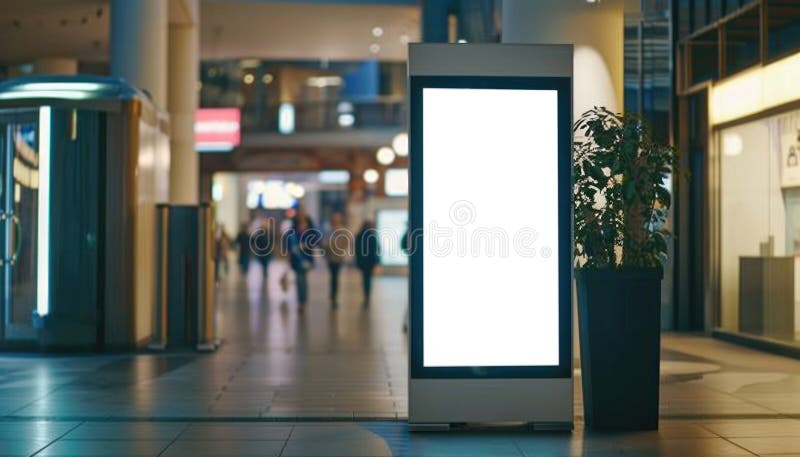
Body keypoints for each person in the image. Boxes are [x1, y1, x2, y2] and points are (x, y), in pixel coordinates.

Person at [288, 214, 317, 314]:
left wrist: (305, 245)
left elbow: (315, 241)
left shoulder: (310, 232)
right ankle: (301, 301)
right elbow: (289, 246)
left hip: (307, 260)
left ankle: (303, 301)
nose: (302, 225)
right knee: (300, 280)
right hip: (296, 261)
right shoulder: (293, 233)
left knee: (302, 280)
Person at [323, 212, 350, 308]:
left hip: (338, 258)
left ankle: (334, 297)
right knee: (333, 277)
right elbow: (324, 243)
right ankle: (332, 296)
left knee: (335, 277)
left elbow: (344, 243)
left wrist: (332, 245)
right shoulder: (329, 229)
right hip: (330, 257)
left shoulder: (343, 230)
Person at [355, 219, 379, 308]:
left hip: (363, 262)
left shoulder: (360, 235)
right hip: (369, 262)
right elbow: (376, 250)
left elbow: (357, 250)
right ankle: (367, 297)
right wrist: (376, 262)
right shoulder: (372, 235)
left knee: (365, 279)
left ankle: (366, 297)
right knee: (367, 280)